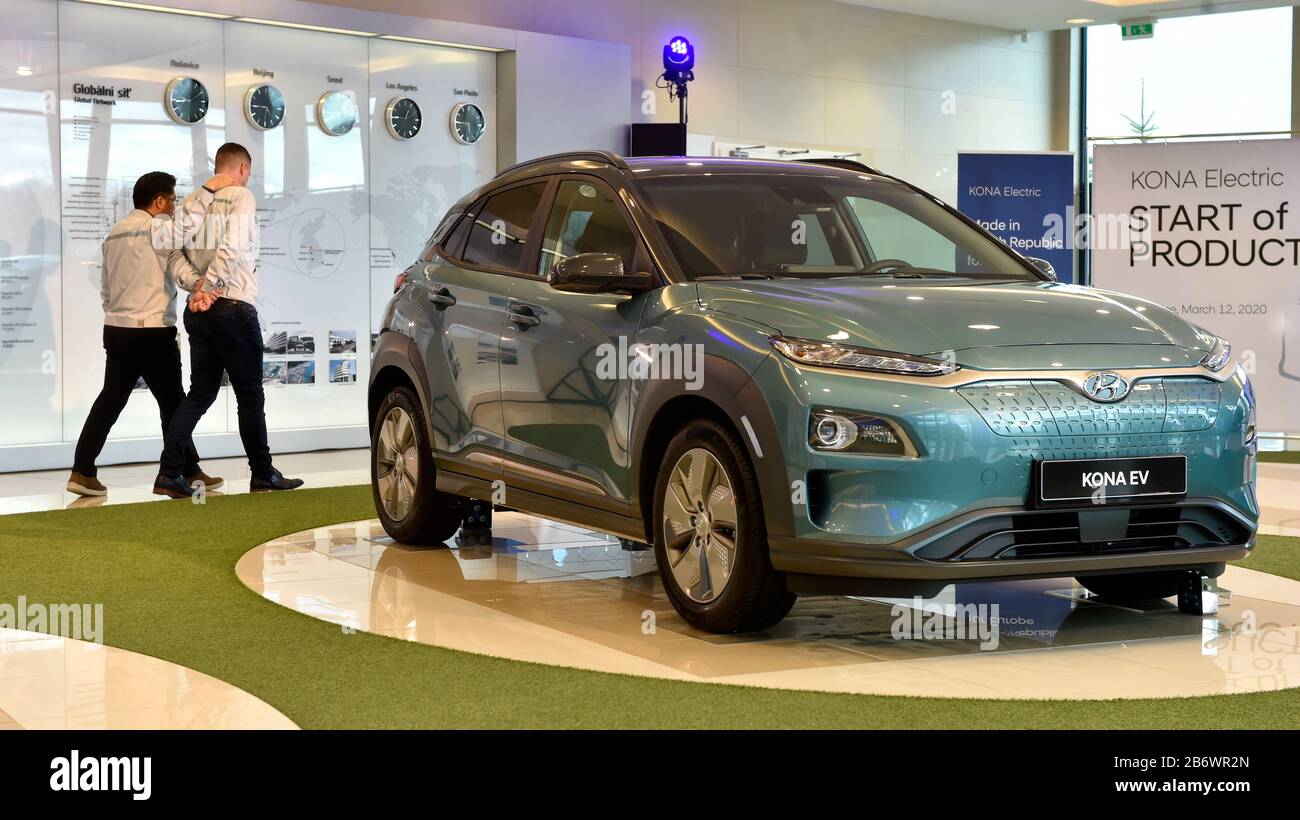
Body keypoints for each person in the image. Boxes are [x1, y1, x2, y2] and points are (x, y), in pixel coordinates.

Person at [66, 171, 233, 497]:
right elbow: (179, 268)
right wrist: (202, 284)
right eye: (173, 199)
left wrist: (118, 314)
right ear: (159, 200)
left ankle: (82, 470)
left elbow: (105, 288)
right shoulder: (161, 231)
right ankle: (181, 474)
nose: (174, 207)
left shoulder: (114, 234)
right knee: (174, 405)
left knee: (110, 402)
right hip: (153, 332)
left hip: (117, 330)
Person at [154, 142, 304, 497]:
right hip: (232, 306)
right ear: (243, 169)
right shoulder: (241, 196)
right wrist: (215, 287)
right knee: (250, 396)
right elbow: (233, 246)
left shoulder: (193, 201)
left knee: (199, 395)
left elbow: (173, 252)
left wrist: (198, 288)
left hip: (200, 311)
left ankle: (169, 471)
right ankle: (263, 474)